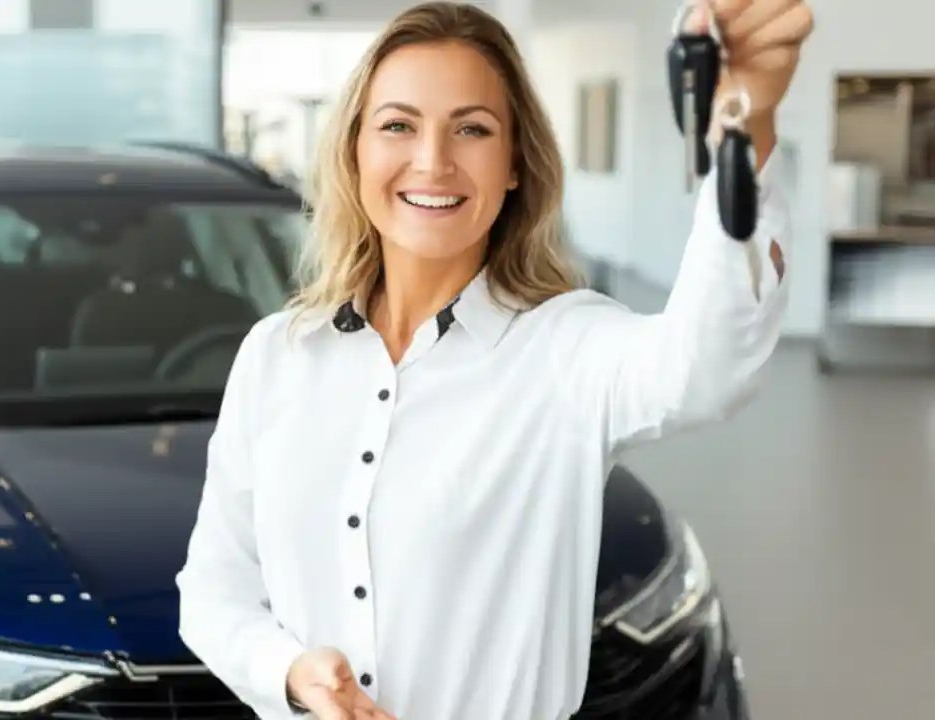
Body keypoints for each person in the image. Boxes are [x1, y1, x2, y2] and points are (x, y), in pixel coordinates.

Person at [176, 0, 813, 718]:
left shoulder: (566, 351)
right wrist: (291, 671)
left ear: (514, 165)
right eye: (398, 125)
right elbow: (212, 589)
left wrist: (746, 131)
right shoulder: (277, 357)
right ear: (355, 151)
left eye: (472, 129)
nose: (433, 161)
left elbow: (709, 366)